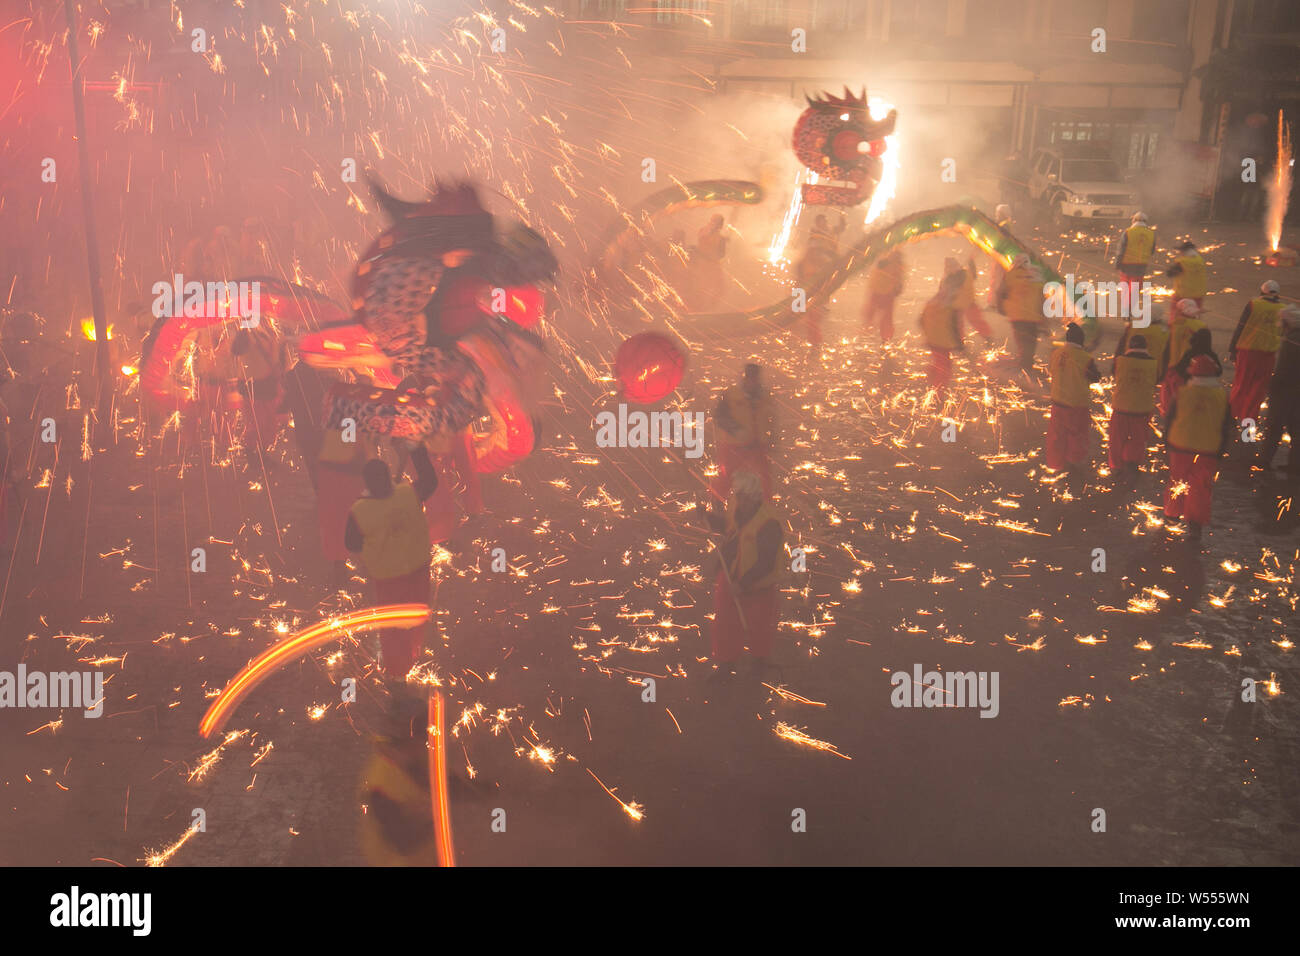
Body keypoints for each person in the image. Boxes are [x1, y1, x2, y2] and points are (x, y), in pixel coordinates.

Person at [345, 448, 439, 676]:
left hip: (388, 578)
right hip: (418, 569)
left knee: (393, 628)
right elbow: (430, 480)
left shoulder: (359, 511)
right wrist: (415, 449)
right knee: (416, 616)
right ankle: (413, 654)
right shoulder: (409, 494)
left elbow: (353, 545)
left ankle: (397, 674)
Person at [707, 470, 785, 675]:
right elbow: (729, 528)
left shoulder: (769, 523)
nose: (741, 502)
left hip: (758, 585)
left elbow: (766, 562)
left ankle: (760, 660)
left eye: (745, 498)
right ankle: (725, 665)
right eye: (738, 496)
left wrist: (744, 584)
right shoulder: (737, 507)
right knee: (725, 623)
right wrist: (708, 518)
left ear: (756, 497)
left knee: (760, 625)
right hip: (732, 573)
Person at [1163, 355, 1233, 539]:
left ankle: (1171, 516)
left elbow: (1170, 418)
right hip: (1208, 450)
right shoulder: (1221, 396)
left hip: (1180, 446)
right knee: (1201, 487)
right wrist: (1222, 450)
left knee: (1177, 481)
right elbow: (1226, 426)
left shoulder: (1182, 392)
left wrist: (1166, 441)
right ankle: (1195, 524)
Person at [318, 420, 373, 587]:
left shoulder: (338, 408)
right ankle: (365, 566)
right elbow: (351, 444)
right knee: (358, 519)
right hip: (351, 473)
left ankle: (340, 566)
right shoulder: (354, 414)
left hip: (334, 471)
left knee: (336, 520)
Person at [712, 363, 777, 501]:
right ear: (745, 378)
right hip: (734, 447)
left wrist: (774, 439)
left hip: (758, 447)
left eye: (755, 379)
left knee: (765, 479)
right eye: (750, 378)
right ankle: (716, 505)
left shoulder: (766, 396)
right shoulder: (730, 394)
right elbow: (719, 416)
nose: (753, 382)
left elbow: (772, 419)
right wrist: (736, 430)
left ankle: (766, 510)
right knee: (726, 478)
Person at [1228, 279, 1286, 423]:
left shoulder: (1254, 304)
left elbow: (1240, 327)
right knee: (1257, 391)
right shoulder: (1284, 310)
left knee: (1241, 386)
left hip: (1248, 353)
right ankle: (1248, 427)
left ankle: (1231, 419)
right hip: (1268, 356)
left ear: (1261, 292)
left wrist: (1232, 349)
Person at [1047, 323, 1100, 472]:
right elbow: (1095, 377)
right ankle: (1073, 463)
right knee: (1077, 435)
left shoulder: (1056, 353)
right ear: (1081, 341)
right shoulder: (1085, 358)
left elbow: (1051, 370)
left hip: (1057, 402)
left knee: (1057, 437)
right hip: (1077, 405)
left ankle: (1056, 465)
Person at [231, 322, 290, 456]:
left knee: (270, 421)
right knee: (256, 422)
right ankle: (252, 452)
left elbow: (280, 356)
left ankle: (263, 451)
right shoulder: (246, 331)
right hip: (252, 385)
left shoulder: (272, 331)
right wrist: (243, 331)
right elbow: (236, 349)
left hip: (269, 383)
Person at [1107, 334, 1158, 481]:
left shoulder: (1120, 361)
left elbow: (1114, 373)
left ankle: (1116, 467)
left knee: (1116, 439)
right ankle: (1132, 462)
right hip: (1142, 409)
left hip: (1121, 407)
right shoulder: (1153, 363)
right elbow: (1156, 379)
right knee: (1138, 438)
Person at [1258, 306, 1300, 474]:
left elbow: (1283, 368)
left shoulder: (1292, 340)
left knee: (1275, 426)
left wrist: (1272, 386)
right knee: (1296, 429)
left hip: (1286, 390)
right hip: (1294, 390)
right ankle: (1295, 465)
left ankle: (1264, 461)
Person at [996, 254, 1044, 379]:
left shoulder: (1010, 275)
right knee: (1030, 344)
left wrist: (1001, 308)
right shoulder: (1037, 275)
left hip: (1017, 316)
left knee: (1022, 343)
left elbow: (1000, 293)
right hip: (1033, 317)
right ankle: (1026, 369)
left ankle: (1024, 371)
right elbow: (1043, 297)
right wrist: (1044, 316)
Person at [1159, 298, 1209, 417]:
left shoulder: (1173, 325)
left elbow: (1165, 348)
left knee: (1168, 400)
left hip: (1172, 367)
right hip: (1191, 369)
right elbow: (1205, 350)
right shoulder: (1202, 326)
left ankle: (1168, 424)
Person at [920, 269, 965, 390]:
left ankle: (931, 380)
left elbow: (921, 320)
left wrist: (928, 334)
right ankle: (938, 395)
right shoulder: (952, 305)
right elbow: (955, 326)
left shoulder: (933, 300)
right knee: (945, 368)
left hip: (932, 340)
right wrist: (960, 344)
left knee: (938, 363)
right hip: (943, 342)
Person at [945, 256, 992, 341]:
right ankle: (960, 343)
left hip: (969, 303)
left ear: (957, 265)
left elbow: (973, 275)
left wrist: (971, 262)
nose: (953, 269)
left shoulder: (966, 274)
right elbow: (945, 292)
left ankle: (987, 336)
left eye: (954, 266)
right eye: (950, 267)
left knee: (976, 320)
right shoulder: (948, 279)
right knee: (958, 325)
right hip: (957, 306)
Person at [1114, 212, 1155, 307]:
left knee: (1126, 288)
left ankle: (1126, 310)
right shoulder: (1151, 234)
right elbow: (1152, 251)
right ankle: (1130, 308)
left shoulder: (1128, 232)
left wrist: (1117, 263)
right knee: (1135, 289)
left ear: (1134, 220)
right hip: (1141, 266)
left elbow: (1121, 250)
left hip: (1126, 265)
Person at [863, 249, 904, 341]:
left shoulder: (897, 266)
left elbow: (899, 280)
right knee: (875, 314)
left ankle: (885, 336)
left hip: (887, 294)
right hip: (881, 292)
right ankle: (880, 334)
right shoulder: (884, 263)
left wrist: (898, 287)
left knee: (886, 317)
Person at [692, 214, 729, 310]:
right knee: (715, 289)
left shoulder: (703, 231)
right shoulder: (718, 237)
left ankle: (704, 308)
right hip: (709, 267)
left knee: (707, 289)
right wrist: (723, 241)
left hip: (704, 266)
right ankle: (704, 309)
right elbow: (721, 254)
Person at [1164, 240, 1207, 320]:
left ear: (1184, 251)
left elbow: (1169, 274)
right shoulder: (1200, 260)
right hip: (1198, 296)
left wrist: (1170, 268)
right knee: (1194, 318)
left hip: (1182, 296)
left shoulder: (1182, 262)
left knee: (1176, 319)